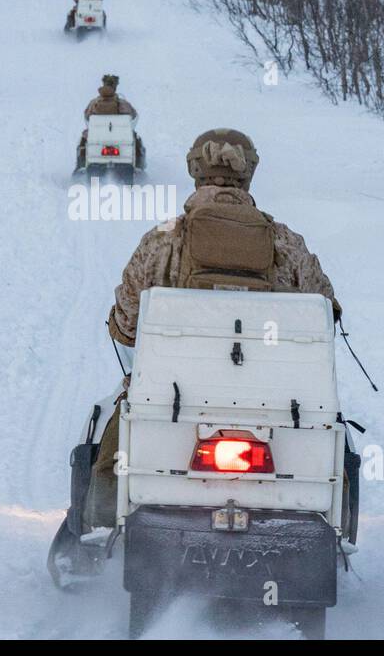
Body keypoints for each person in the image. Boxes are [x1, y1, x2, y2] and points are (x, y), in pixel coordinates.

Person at [82, 128, 341, 528]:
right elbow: (326, 311)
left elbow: (127, 321)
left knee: (109, 456)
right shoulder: (285, 243)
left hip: (170, 404)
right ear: (249, 173)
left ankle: (93, 537)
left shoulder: (161, 241)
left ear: (195, 171)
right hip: (279, 407)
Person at [77, 75, 142, 170]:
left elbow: (87, 116)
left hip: (97, 138)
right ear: (115, 87)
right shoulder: (123, 104)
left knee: (83, 139)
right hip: (122, 139)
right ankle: (138, 166)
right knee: (135, 138)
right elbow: (134, 115)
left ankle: (81, 166)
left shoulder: (94, 103)